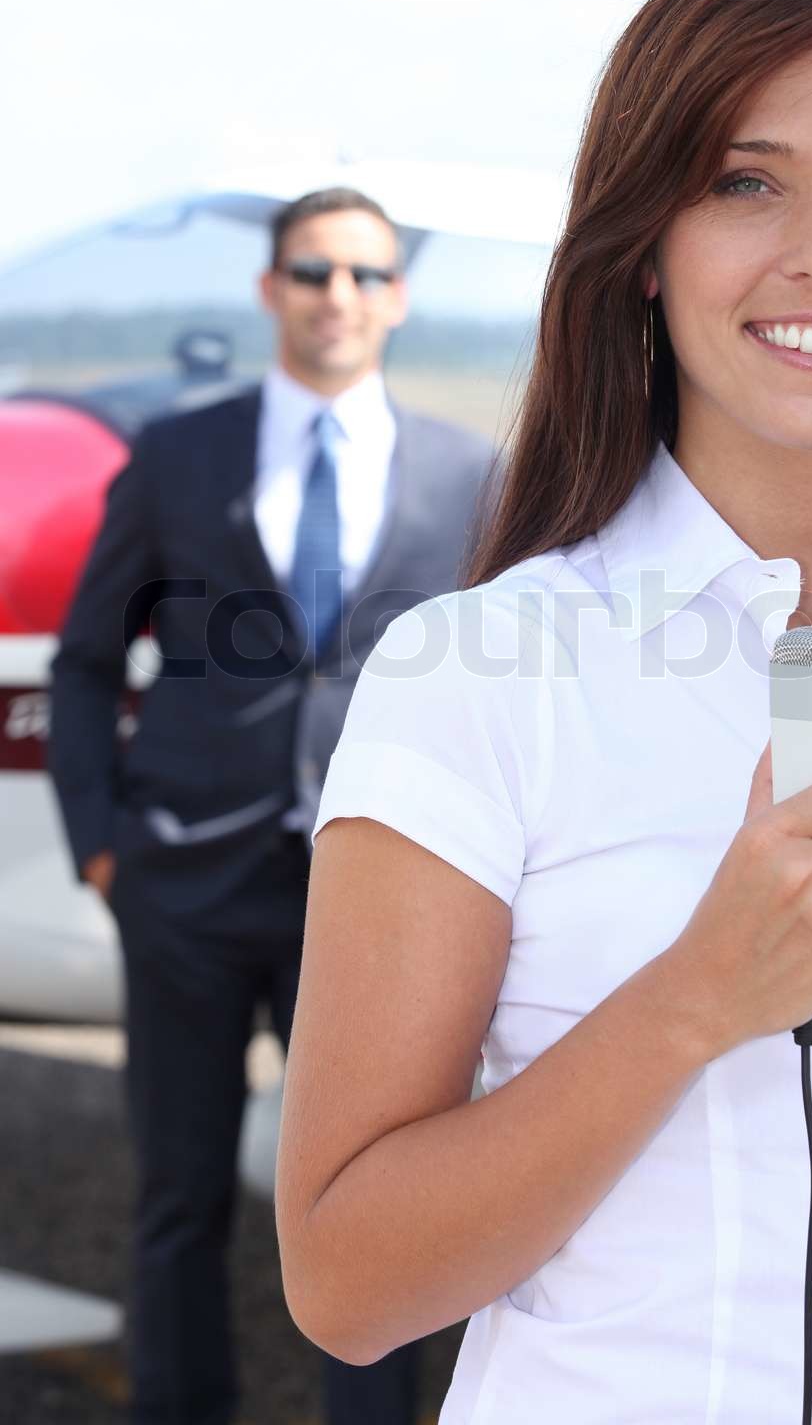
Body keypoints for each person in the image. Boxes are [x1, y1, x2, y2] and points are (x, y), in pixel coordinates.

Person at [275, 0, 812, 1423]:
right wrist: (692, 1003)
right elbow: (345, 1283)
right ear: (641, 240)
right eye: (740, 180)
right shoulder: (480, 675)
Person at [48, 185, 496, 1425]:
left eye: (361, 274)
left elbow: (509, 683)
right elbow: (90, 660)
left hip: (374, 904)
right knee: (178, 1198)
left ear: (397, 297)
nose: (334, 297)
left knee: (373, 1209)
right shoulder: (179, 453)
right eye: (310, 272)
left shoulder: (469, 473)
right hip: (183, 881)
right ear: (269, 291)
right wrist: (101, 848)